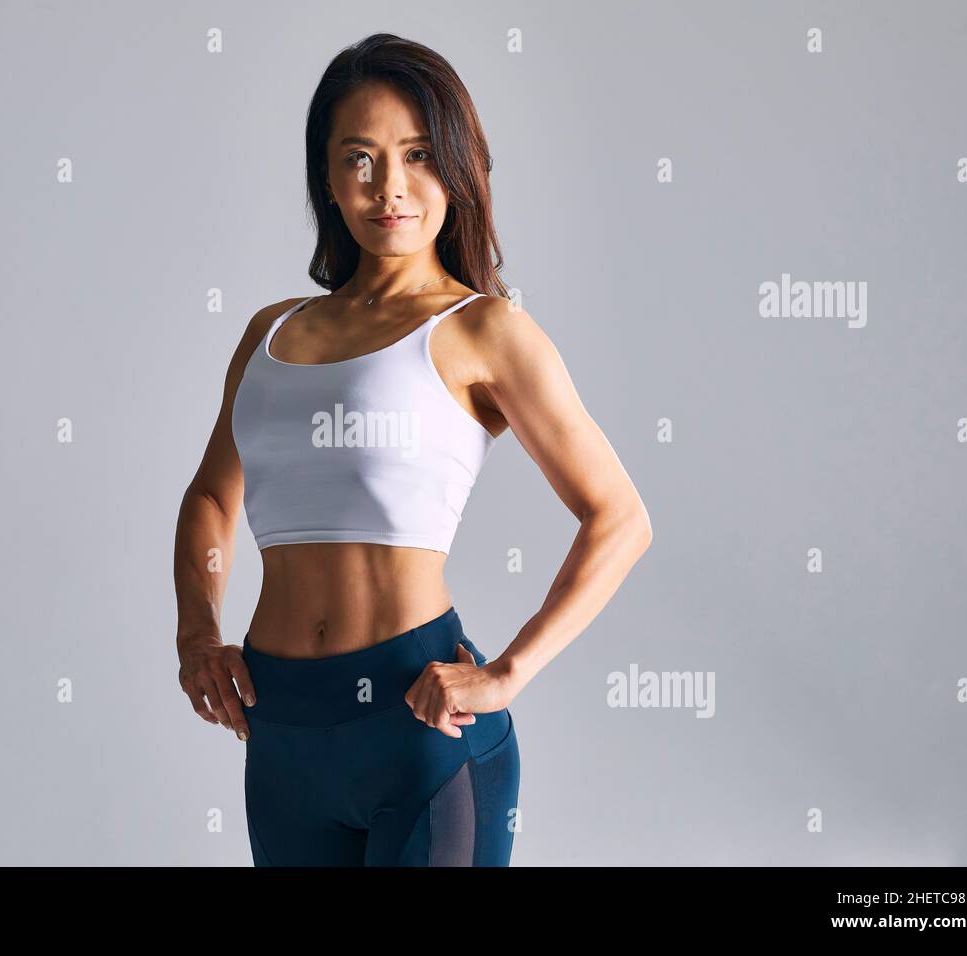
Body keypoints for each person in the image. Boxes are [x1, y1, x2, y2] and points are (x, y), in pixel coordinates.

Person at [174, 33, 652, 866]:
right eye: (359, 158)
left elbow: (620, 517)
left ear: (458, 168)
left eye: (418, 155)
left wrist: (508, 672)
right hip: (283, 727)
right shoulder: (272, 331)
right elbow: (213, 499)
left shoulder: (481, 329)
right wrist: (195, 635)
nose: (389, 187)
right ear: (327, 176)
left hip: (420, 725)